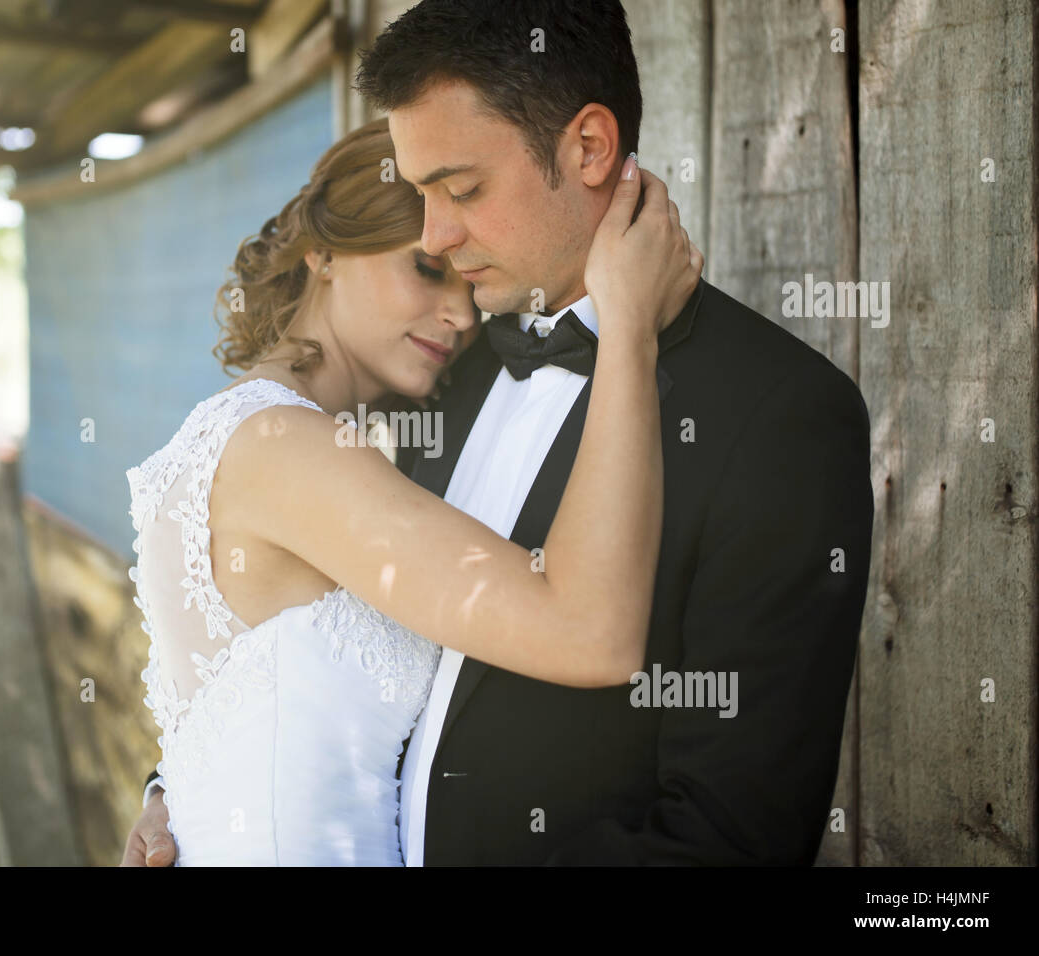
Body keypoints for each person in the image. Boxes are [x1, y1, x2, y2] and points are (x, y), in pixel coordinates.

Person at [126, 0, 874, 867]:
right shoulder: (435, 379)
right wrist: (180, 790)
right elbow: (283, 655)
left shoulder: (779, 415)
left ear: (589, 148)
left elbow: (730, 837)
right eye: (418, 201)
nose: (439, 234)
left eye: (463, 188)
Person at [119, 109, 699, 864]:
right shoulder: (284, 446)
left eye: (468, 282)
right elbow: (590, 633)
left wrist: (168, 795)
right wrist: (629, 326)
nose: (460, 314)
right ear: (325, 254)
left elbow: (240, 710)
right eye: (426, 270)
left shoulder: (273, 434)